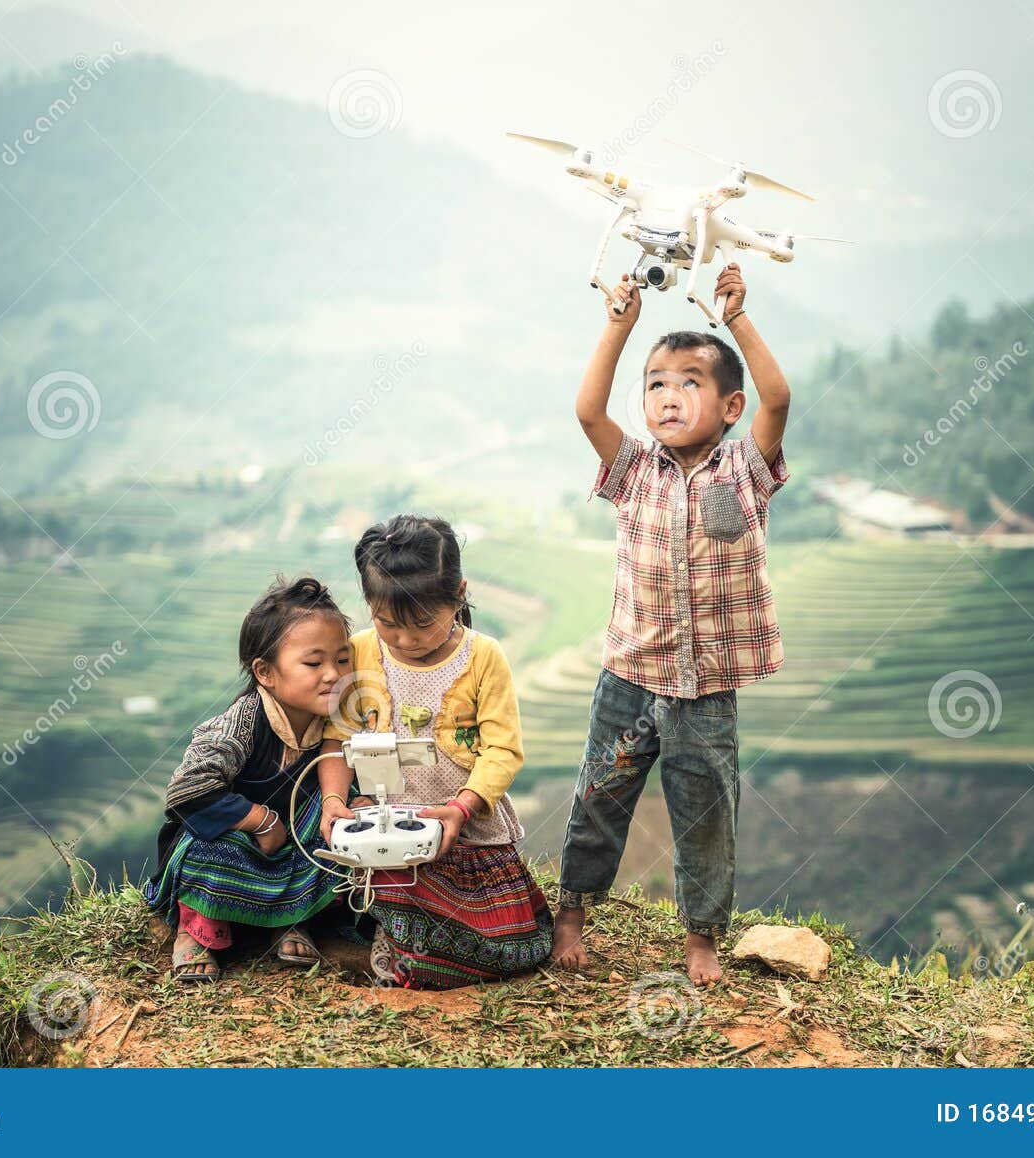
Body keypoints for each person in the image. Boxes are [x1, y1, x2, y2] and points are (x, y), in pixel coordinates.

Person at [555, 263, 791, 984]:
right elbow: (588, 412)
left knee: (705, 816)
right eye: (656, 383)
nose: (668, 395)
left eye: (690, 382)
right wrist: (618, 326)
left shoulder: (745, 470)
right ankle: (571, 912)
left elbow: (780, 397)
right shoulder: (633, 470)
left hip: (707, 690)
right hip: (629, 676)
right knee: (599, 799)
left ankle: (702, 938)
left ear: (730, 406)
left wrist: (736, 317)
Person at [318, 514, 553, 989]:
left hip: (466, 832)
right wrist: (334, 801)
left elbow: (502, 749)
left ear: (459, 594)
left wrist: (461, 809)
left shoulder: (483, 657)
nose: (405, 640)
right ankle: (389, 937)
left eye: (422, 624)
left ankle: (407, 941)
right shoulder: (360, 652)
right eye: (387, 623)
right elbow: (338, 738)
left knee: (508, 946)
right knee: (378, 884)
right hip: (385, 828)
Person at [145, 575, 356, 983]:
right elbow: (187, 789)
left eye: (343, 660)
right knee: (210, 846)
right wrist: (260, 820)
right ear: (265, 672)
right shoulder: (241, 723)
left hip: (293, 846)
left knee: (340, 829)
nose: (333, 674)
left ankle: (292, 919)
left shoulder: (337, 724)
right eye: (314, 663)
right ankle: (197, 929)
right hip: (240, 844)